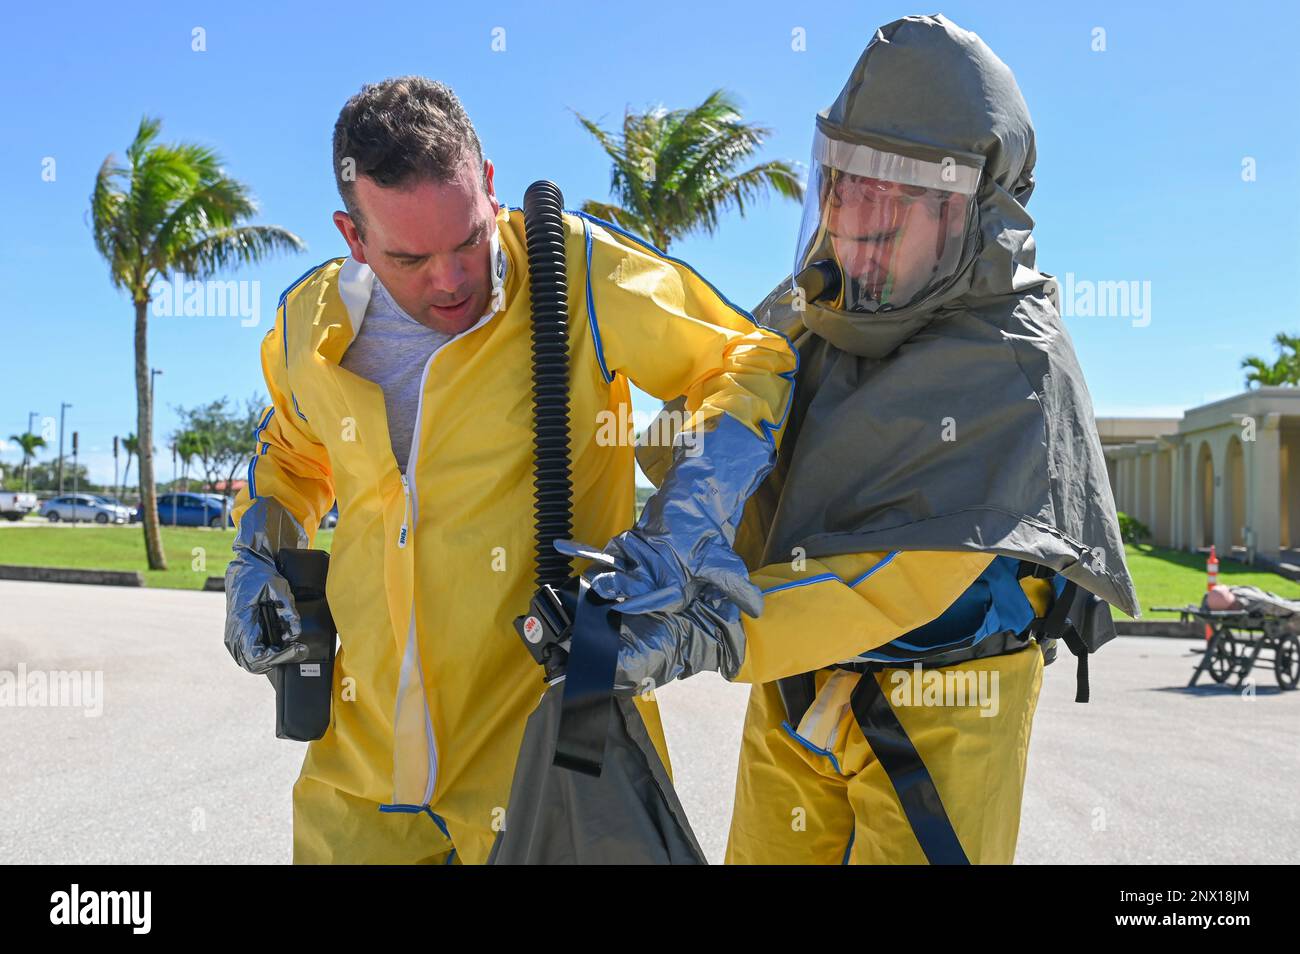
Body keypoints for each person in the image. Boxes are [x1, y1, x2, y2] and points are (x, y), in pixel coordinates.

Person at [221, 76, 796, 864]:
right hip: (358, 779)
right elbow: (289, 459)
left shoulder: (579, 273)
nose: (452, 279)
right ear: (353, 238)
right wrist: (255, 557)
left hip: (551, 759)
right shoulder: (308, 325)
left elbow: (751, 361)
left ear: (489, 185)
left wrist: (689, 521)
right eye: (410, 257)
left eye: (468, 239)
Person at [622, 14, 1140, 864]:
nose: (857, 215)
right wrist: (665, 542)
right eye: (844, 179)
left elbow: (908, 576)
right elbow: (704, 425)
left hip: (946, 703)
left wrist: (712, 629)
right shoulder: (812, 306)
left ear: (975, 208)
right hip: (795, 685)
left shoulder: (1016, 358)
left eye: (897, 190)